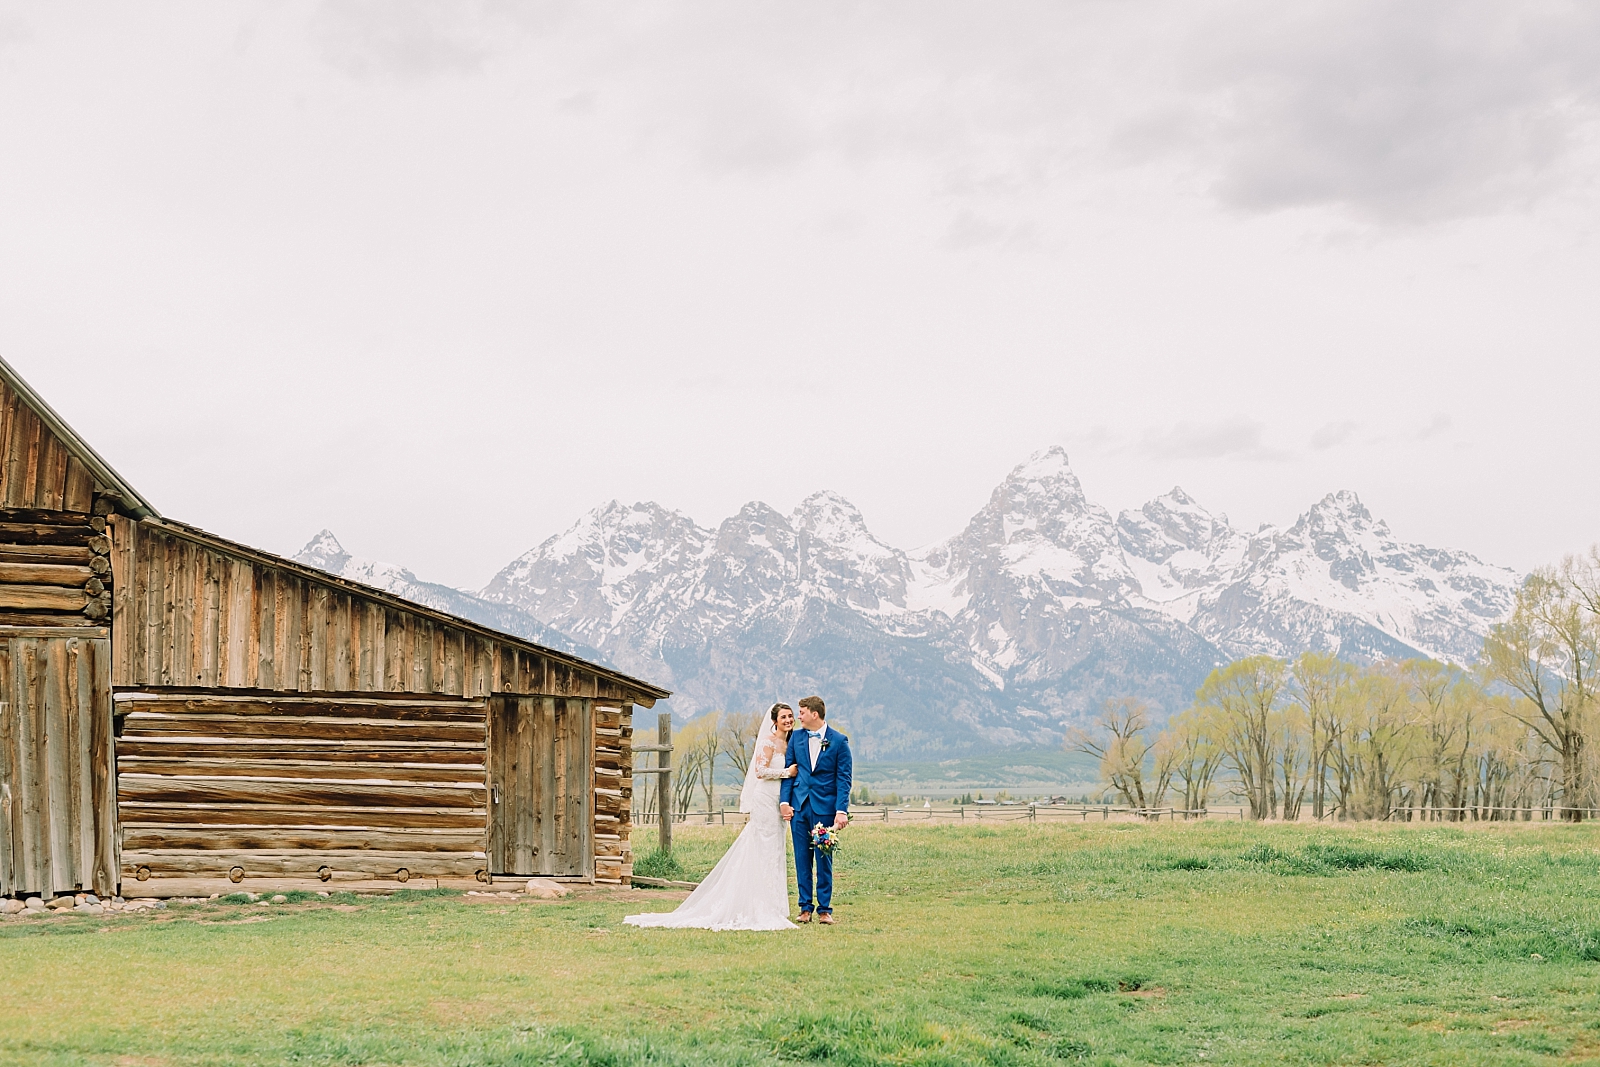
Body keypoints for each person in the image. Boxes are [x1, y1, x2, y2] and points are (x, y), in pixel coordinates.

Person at [622, 703, 799, 931]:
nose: (788, 720)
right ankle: (755, 904)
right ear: (774, 720)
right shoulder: (768, 742)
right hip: (765, 799)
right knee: (762, 849)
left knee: (775, 850)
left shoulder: (790, 742)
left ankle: (774, 905)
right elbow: (760, 771)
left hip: (779, 802)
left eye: (791, 716)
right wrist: (786, 772)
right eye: (784, 716)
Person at [779, 695, 852, 925]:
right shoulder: (796, 738)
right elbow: (789, 772)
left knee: (823, 860)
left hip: (825, 810)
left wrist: (841, 810)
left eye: (801, 712)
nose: (797, 717)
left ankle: (824, 910)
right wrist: (784, 802)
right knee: (801, 859)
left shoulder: (839, 741)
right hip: (799, 807)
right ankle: (804, 908)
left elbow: (844, 779)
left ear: (814, 714)